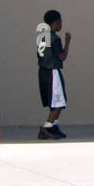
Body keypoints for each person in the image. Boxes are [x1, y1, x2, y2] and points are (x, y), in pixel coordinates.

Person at [37, 9, 70, 139]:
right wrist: (67, 42)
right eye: (60, 22)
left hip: (43, 71)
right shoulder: (55, 38)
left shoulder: (42, 37)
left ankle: (54, 126)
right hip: (53, 72)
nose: (61, 24)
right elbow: (62, 57)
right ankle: (47, 127)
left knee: (55, 102)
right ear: (55, 22)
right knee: (58, 102)